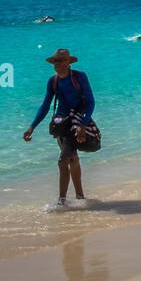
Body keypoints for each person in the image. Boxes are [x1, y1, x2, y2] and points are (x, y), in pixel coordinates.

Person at [23, 49, 94, 205]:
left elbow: (90, 101)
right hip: (61, 125)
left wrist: (83, 123)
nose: (57, 64)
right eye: (55, 61)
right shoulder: (53, 81)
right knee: (72, 159)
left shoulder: (79, 77)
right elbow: (45, 105)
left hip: (76, 124)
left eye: (61, 61)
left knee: (63, 160)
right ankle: (80, 198)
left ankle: (61, 201)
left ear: (69, 62)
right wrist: (32, 126)